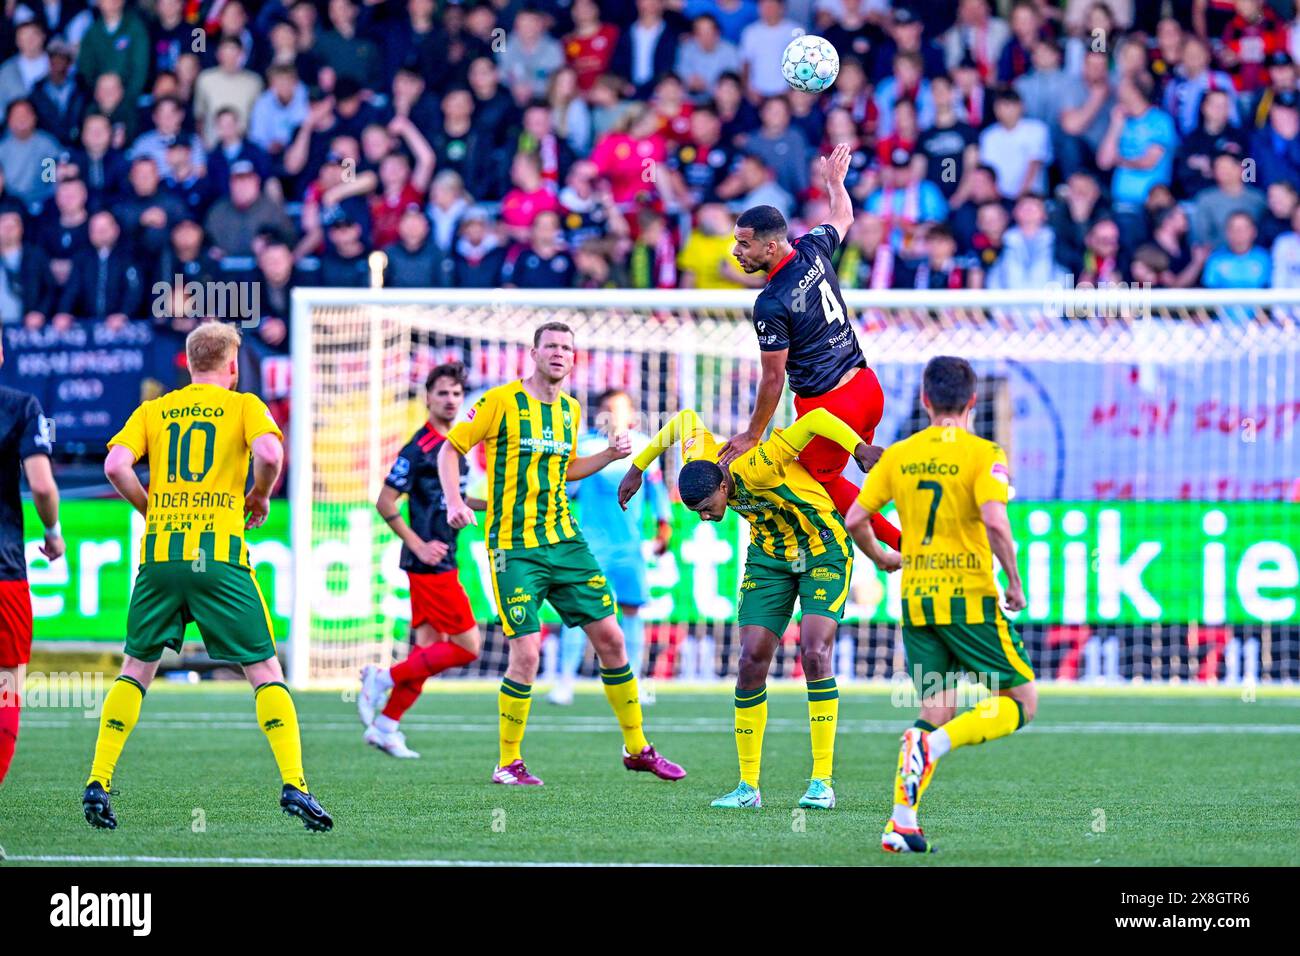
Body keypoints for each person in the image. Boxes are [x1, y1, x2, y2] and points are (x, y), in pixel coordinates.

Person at [82, 323, 332, 832]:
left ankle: (98, 780)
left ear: (190, 362)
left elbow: (114, 465)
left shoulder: (155, 410)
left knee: (136, 666)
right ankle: (294, 784)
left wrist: (149, 509)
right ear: (233, 365)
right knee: (263, 669)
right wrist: (260, 495)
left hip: (160, 558)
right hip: (218, 557)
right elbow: (269, 454)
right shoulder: (244, 405)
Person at [439, 322, 685, 787]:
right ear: (533, 353)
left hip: (567, 543)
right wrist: (455, 500)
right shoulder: (499, 402)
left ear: (574, 359)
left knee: (611, 639)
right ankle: (508, 762)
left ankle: (638, 748)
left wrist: (611, 456)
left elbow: (568, 470)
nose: (558, 353)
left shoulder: (570, 411)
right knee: (526, 653)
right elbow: (451, 452)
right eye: (550, 346)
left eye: (566, 348)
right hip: (514, 548)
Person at [619, 405, 895, 810]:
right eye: (696, 512)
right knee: (750, 660)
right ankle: (748, 788)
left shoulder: (762, 464)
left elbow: (816, 419)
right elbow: (682, 419)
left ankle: (822, 782)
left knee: (815, 651)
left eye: (707, 508)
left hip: (822, 551)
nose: (706, 518)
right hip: (769, 559)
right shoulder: (701, 461)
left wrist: (858, 448)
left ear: (724, 487)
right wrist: (638, 468)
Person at [845, 355, 1035, 854]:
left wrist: (884, 557)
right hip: (969, 600)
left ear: (925, 400)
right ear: (972, 402)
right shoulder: (983, 453)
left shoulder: (899, 456)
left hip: (918, 603)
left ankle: (901, 822)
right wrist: (1013, 580)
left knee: (936, 708)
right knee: (1022, 702)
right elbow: (995, 521)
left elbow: (854, 517)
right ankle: (935, 746)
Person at [720, 144, 902, 552]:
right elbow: (844, 215)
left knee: (820, 483)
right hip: (869, 389)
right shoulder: (811, 247)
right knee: (861, 466)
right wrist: (836, 184)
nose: (736, 252)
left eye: (744, 244)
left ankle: (906, 548)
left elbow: (772, 378)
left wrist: (753, 434)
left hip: (831, 407)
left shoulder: (770, 303)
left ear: (769, 247)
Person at [357, 363, 484, 757]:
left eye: (456, 394)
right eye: (442, 393)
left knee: (427, 652)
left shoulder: (456, 446)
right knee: (468, 646)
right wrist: (417, 545)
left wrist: (499, 505)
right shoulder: (419, 448)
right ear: (427, 397)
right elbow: (385, 501)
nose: (450, 400)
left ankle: (386, 725)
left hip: (444, 555)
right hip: (431, 562)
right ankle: (383, 676)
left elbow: (455, 500)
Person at [548, 389, 672, 707]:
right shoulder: (587, 447)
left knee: (632, 609)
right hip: (590, 545)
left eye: (618, 409)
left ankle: (637, 682)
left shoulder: (645, 446)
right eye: (606, 409)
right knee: (580, 611)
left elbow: (656, 491)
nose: (612, 415)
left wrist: (664, 525)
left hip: (629, 546)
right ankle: (565, 681)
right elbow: (569, 490)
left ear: (631, 415)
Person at [0, 335, 62, 786]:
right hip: (4, 575)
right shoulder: (21, 406)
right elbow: (41, 486)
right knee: (5, 690)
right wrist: (53, 532)